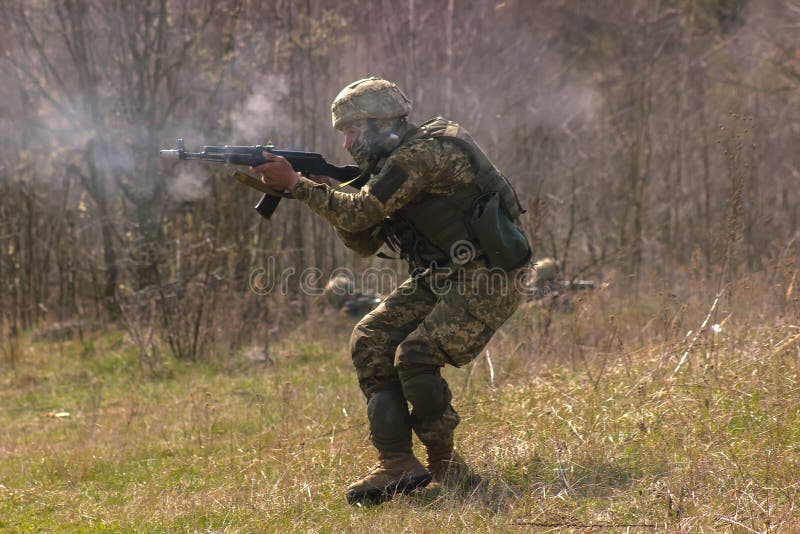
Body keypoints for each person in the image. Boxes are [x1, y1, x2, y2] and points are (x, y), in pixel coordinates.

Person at [254, 77, 531, 505]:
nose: (345, 144)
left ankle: (444, 463)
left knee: (415, 356)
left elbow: (362, 210)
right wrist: (324, 188)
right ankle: (397, 463)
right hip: (443, 273)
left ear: (375, 125)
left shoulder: (423, 154)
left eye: (349, 131)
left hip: (489, 275)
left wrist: (300, 185)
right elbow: (364, 239)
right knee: (370, 340)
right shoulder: (389, 166)